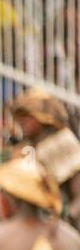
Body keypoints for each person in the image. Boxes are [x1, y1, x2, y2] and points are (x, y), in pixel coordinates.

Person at [8, 88, 80, 226]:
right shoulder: (23, 150)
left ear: (43, 116)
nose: (21, 120)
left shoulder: (63, 142)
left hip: (61, 224)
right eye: (19, 116)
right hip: (28, 223)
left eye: (27, 115)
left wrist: (64, 221)